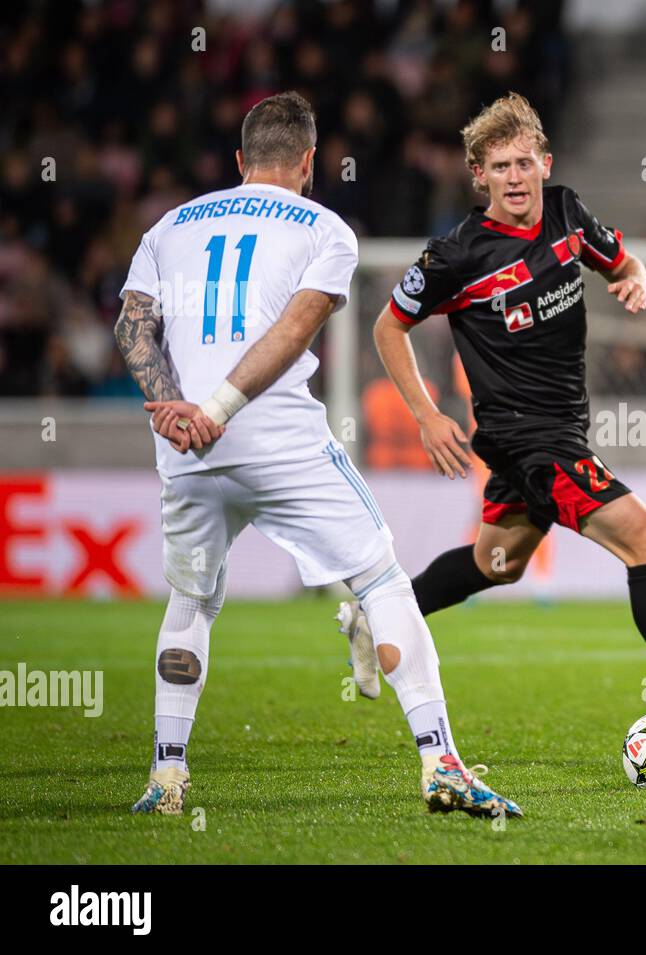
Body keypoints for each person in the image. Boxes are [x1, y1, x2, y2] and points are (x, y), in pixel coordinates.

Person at [117, 92, 519, 820]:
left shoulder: (168, 225)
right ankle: (442, 763)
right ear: (308, 162)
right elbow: (298, 327)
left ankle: (166, 776)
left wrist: (179, 410)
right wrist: (218, 412)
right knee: (381, 581)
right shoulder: (326, 227)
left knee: (192, 602)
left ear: (239, 162)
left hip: (182, 442)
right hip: (274, 437)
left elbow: (133, 325)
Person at [337, 92, 646, 747]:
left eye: (523, 162)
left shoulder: (567, 212)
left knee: (499, 562)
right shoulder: (456, 255)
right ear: (477, 175)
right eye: (498, 166)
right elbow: (387, 326)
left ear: (546, 162)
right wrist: (425, 414)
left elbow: (624, 263)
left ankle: (375, 611)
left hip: (563, 428)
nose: (514, 177)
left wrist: (636, 280)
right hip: (526, 437)